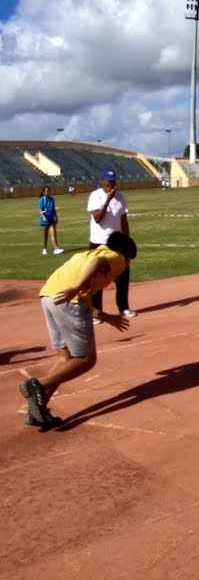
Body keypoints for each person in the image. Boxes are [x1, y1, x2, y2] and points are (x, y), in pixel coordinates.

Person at [17, 232, 137, 430]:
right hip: (68, 299)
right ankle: (37, 384)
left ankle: (37, 411)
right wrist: (76, 287)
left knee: (66, 359)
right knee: (86, 359)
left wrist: (107, 317)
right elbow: (99, 263)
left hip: (49, 296)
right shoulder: (116, 258)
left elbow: (86, 301)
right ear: (126, 255)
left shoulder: (85, 256)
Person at [87, 168, 135, 320]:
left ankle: (124, 307)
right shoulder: (95, 196)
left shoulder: (121, 197)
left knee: (123, 275)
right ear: (102, 181)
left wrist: (127, 241)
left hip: (117, 242)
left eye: (114, 181)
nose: (111, 184)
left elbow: (123, 221)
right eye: (109, 181)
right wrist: (108, 199)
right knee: (97, 278)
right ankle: (96, 312)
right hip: (99, 242)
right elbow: (97, 218)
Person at [37, 185, 64, 256]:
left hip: (51, 219)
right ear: (43, 192)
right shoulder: (42, 200)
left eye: (48, 191)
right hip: (45, 219)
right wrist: (44, 216)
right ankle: (44, 249)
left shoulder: (52, 199)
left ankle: (56, 249)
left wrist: (56, 217)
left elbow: (53, 209)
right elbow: (40, 210)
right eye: (46, 191)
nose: (47, 192)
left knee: (53, 233)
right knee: (45, 235)